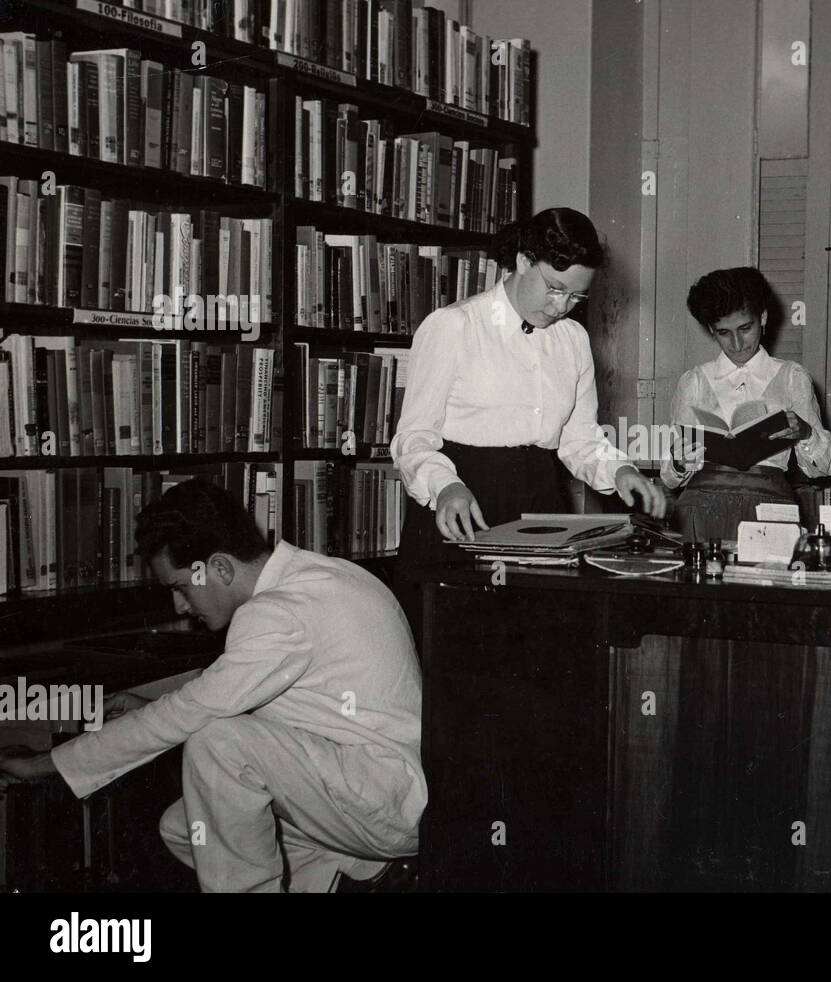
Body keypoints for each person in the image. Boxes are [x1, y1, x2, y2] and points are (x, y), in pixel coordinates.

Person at [0, 479, 427, 893]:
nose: (180, 606)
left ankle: (358, 867)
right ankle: (358, 871)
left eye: (182, 586)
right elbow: (235, 685)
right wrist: (148, 700)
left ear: (220, 567)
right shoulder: (316, 577)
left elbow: (202, 709)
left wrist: (45, 765)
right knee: (187, 828)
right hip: (374, 784)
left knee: (217, 739)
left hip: (383, 804)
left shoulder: (276, 613)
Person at [390, 208, 665, 609]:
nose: (561, 306)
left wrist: (619, 470)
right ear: (523, 261)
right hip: (464, 508)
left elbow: (580, 438)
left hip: (539, 507)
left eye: (575, 296)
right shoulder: (454, 325)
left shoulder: (572, 340)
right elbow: (412, 438)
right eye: (555, 288)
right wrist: (444, 487)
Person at [661, 266, 831, 540]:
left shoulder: (792, 377)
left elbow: (823, 468)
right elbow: (669, 477)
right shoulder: (693, 381)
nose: (736, 343)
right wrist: (679, 461)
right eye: (723, 332)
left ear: (763, 318)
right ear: (711, 330)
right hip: (700, 509)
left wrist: (805, 433)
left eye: (745, 328)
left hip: (770, 508)